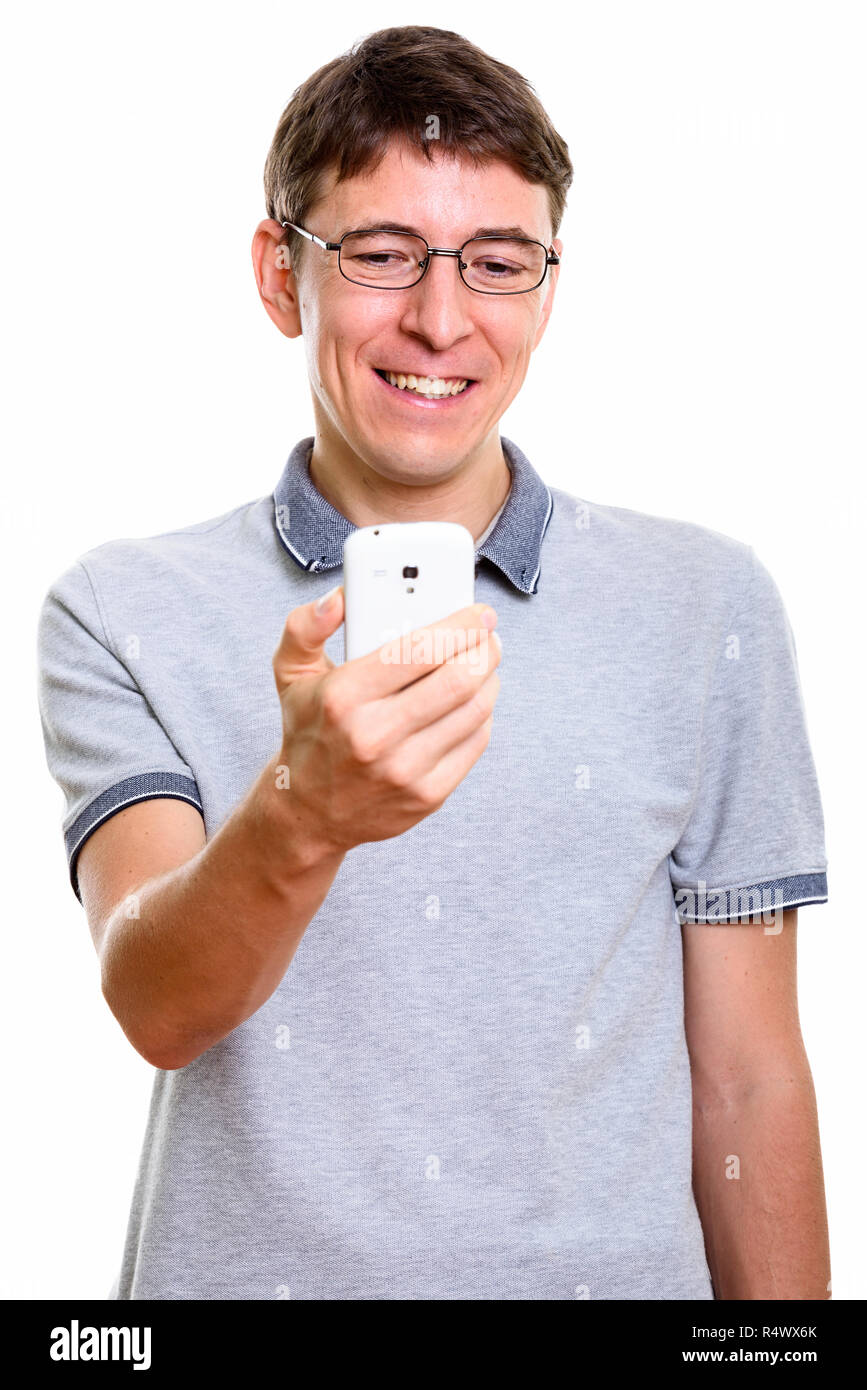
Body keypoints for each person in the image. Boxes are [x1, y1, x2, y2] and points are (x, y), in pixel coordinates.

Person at [36, 24, 831, 1301]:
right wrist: (303, 816)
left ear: (549, 289)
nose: (441, 317)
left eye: (497, 261)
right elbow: (155, 1007)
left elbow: (748, 1076)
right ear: (280, 274)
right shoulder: (121, 610)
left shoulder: (708, 607)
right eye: (382, 253)